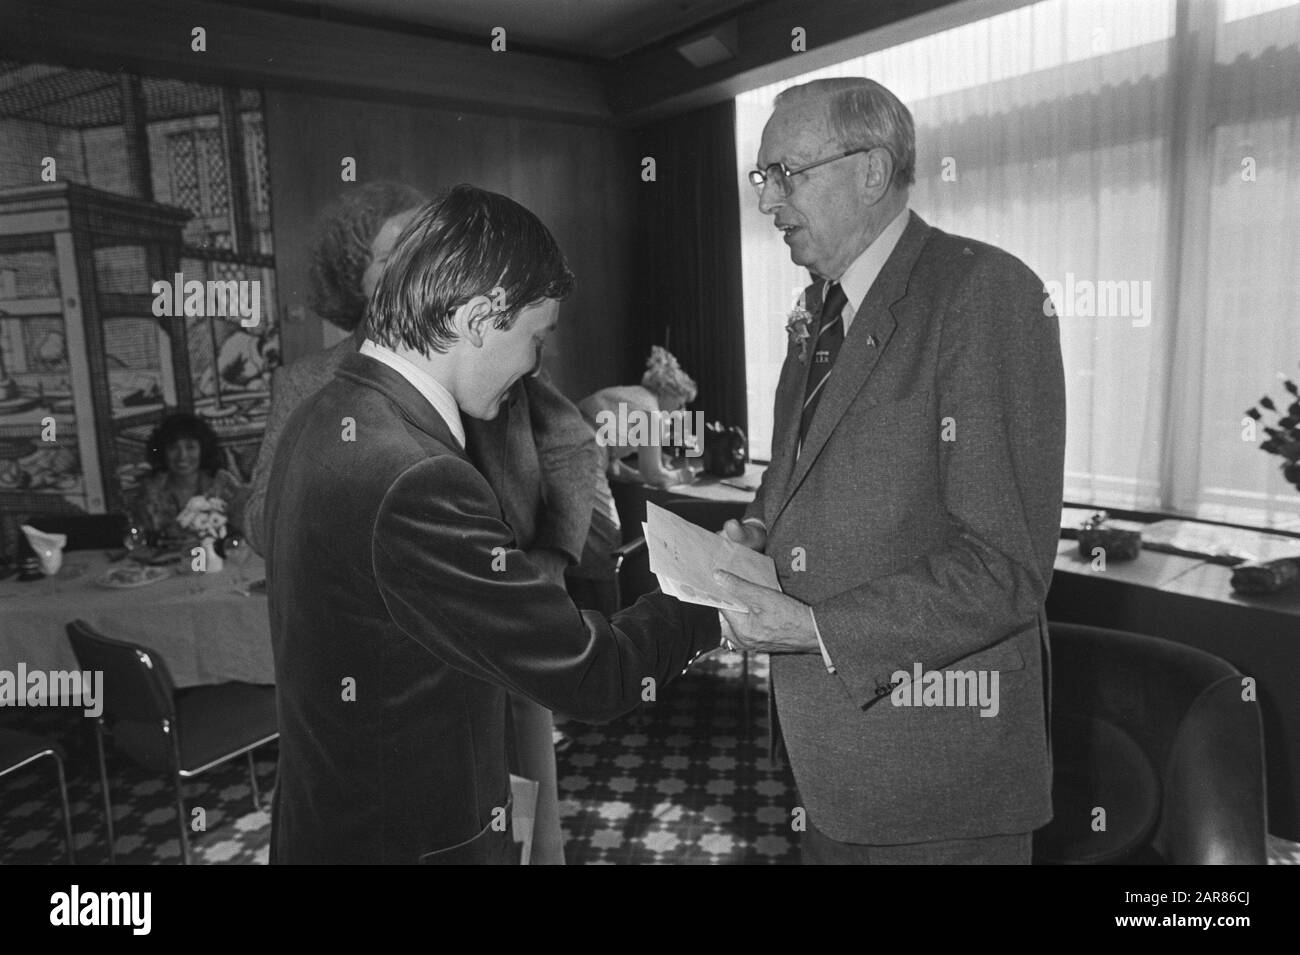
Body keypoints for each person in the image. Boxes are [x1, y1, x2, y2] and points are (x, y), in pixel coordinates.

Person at [264, 184, 719, 864]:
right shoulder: (417, 475)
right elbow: (595, 674)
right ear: (479, 318)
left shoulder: (322, 412)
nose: (535, 364)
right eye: (536, 337)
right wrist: (713, 592)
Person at [713, 77, 1066, 864]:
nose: (768, 201)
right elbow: (792, 481)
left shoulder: (986, 294)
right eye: (762, 177)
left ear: (871, 171)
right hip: (829, 767)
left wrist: (813, 628)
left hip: (940, 789)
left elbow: (1006, 567)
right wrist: (755, 535)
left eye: (786, 175)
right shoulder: (819, 309)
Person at [131, 413, 246, 543]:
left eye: (190, 447)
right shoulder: (148, 493)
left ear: (203, 450)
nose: (182, 455)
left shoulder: (222, 489)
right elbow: (140, 541)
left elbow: (241, 536)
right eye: (174, 448)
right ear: (163, 451)